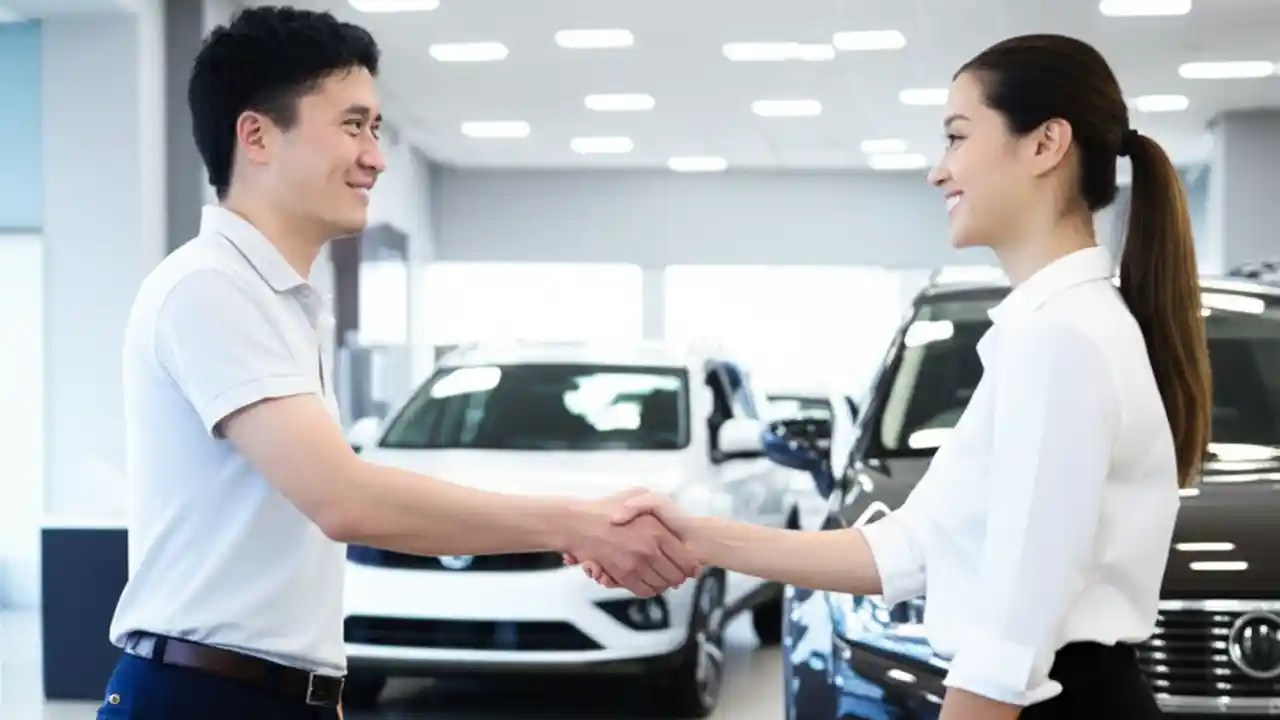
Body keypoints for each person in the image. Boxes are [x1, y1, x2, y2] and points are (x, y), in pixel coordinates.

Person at [574, 33, 1211, 720]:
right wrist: (695, 536)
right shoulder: (1059, 327)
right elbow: (904, 551)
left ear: (1045, 144)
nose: (939, 172)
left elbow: (1008, 642)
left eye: (957, 137)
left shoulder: (1060, 337)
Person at [98, 7, 698, 719]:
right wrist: (576, 524)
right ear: (255, 135)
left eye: (375, 129)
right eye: (352, 126)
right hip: (203, 697)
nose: (376, 157)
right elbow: (342, 498)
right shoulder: (211, 287)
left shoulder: (281, 301)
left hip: (268, 691)